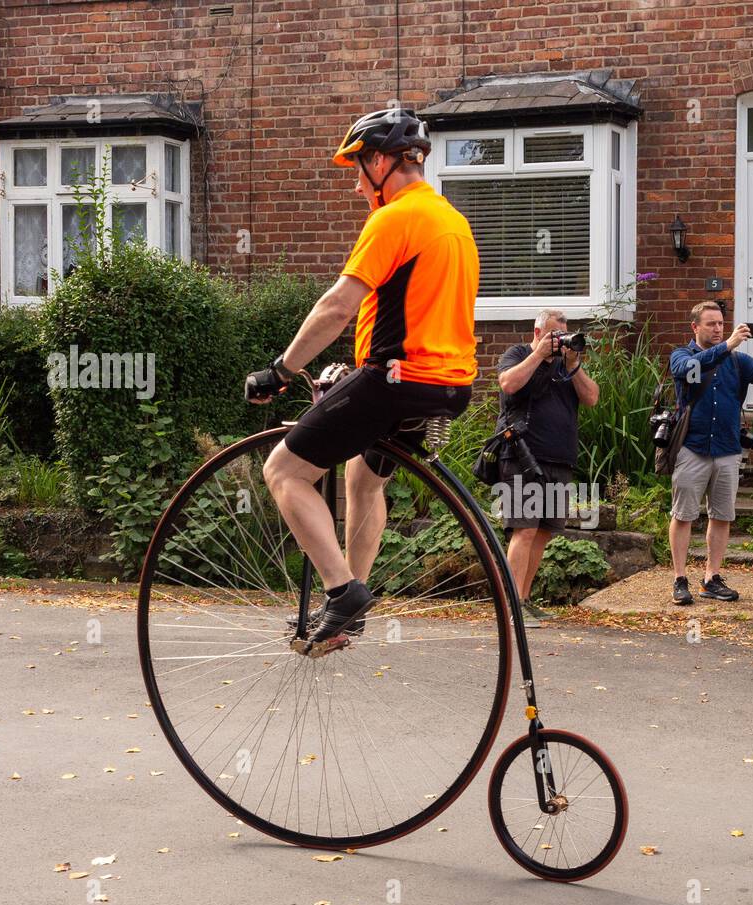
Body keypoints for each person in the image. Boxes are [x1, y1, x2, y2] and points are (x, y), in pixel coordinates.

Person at [245, 107, 479, 646]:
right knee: (362, 477)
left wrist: (282, 370)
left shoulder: (395, 217)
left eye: (358, 168)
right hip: (451, 386)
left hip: (395, 381)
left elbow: (337, 306)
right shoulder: (452, 221)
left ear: (381, 161)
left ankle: (342, 592)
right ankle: (353, 599)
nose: (356, 185)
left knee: (284, 471)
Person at [667, 301, 753, 605]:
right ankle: (680, 579)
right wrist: (727, 345)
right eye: (711, 324)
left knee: (721, 515)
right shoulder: (683, 355)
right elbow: (687, 370)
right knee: (683, 515)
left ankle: (711, 578)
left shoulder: (736, 361)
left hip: (728, 448)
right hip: (691, 447)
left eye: (721, 323)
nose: (718, 329)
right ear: (695, 327)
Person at [495, 309, 600, 626]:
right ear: (538, 333)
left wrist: (573, 365)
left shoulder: (566, 366)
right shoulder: (518, 354)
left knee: (542, 532)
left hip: (559, 458)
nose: (560, 341)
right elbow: (508, 384)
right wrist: (538, 355)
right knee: (524, 529)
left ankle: (524, 600)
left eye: (564, 335)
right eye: (555, 335)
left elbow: (592, 398)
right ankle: (512, 606)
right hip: (522, 457)